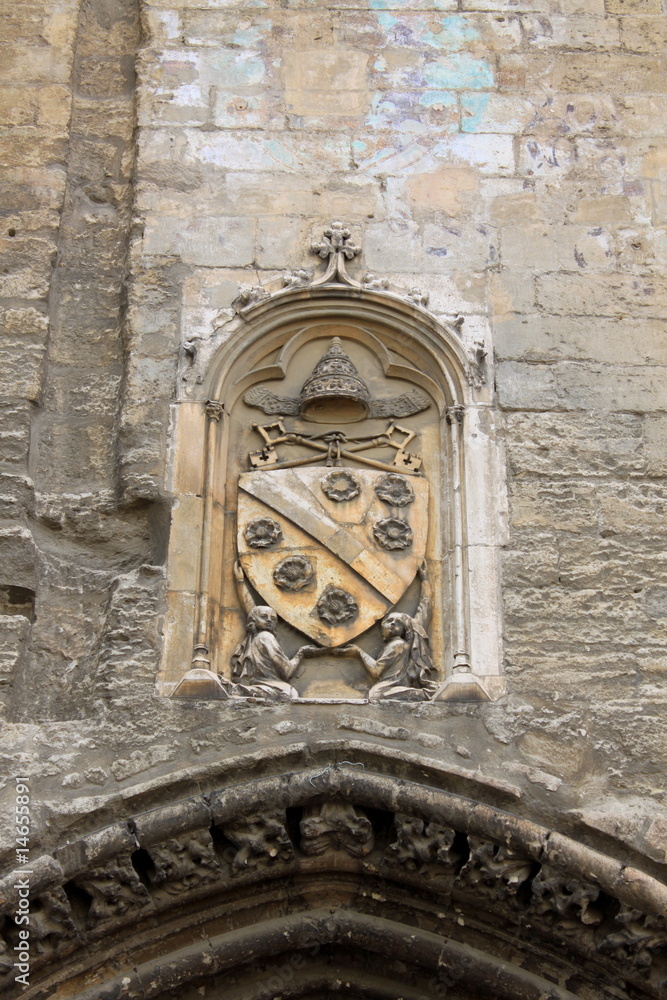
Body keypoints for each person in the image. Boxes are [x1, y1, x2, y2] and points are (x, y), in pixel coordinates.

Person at [340, 561, 438, 701]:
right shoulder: (399, 645)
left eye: (397, 623)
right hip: (392, 686)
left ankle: (424, 694)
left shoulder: (397, 645)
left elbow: (376, 671)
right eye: (389, 621)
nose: (392, 625)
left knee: (375, 694)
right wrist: (424, 580)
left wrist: (358, 652)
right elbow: (425, 608)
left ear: (404, 629)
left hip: (388, 687)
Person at [229, 561, 315, 700]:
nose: (269, 620)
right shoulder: (266, 637)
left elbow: (250, 609)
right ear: (254, 620)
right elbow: (286, 671)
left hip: (259, 684)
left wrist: (240, 582)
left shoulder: (255, 637)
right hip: (272, 686)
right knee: (291, 693)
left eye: (273, 619)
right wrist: (302, 653)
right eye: (264, 617)